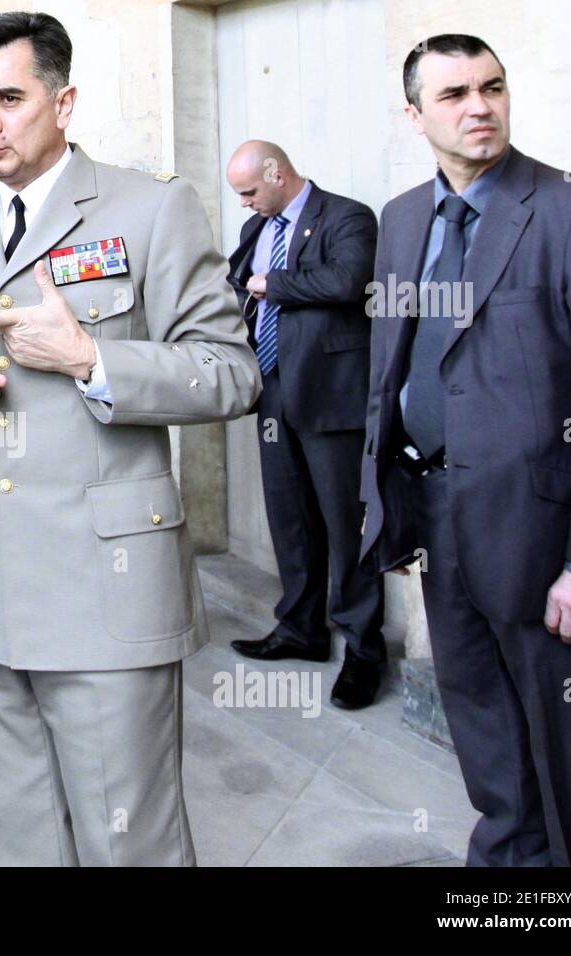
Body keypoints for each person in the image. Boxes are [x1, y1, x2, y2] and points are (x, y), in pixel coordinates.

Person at [0, 12, 260, 866]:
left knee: (130, 840)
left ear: (64, 101)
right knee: (17, 837)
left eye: (9, 97)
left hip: (105, 589)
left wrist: (93, 358)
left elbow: (232, 371)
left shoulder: (152, 208)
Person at [361, 34, 571, 865]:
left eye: (492, 88)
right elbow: (392, 372)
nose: (480, 107)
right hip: (439, 521)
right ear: (414, 114)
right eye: (454, 95)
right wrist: (389, 504)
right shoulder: (403, 218)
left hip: (546, 539)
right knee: (484, 730)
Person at [224, 141, 386, 708]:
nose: (244, 204)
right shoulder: (256, 230)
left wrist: (273, 284)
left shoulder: (346, 216)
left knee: (347, 528)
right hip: (272, 393)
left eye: (249, 191)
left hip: (331, 397)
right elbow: (233, 285)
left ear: (277, 173)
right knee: (290, 521)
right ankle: (301, 630)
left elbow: (350, 281)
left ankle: (364, 651)